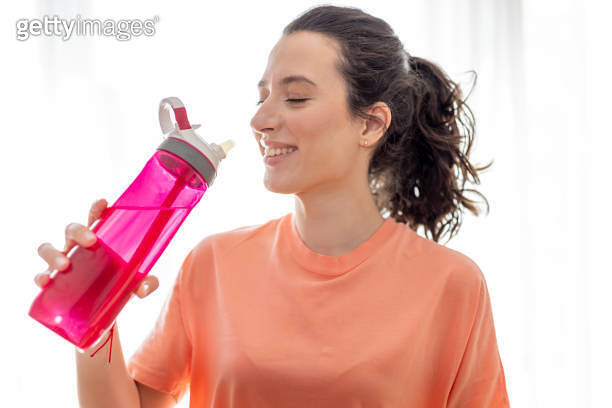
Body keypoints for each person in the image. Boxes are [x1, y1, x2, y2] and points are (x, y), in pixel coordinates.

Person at [35, 5, 510, 407]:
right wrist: (94, 311)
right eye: (261, 97)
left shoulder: (451, 286)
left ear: (370, 124)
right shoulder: (214, 265)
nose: (260, 120)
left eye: (296, 97)